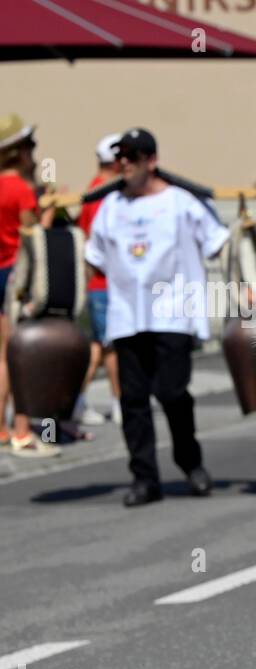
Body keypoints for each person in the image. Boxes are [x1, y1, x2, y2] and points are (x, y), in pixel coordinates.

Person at [84, 128, 229, 507]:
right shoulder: (111, 207)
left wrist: (242, 284)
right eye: (121, 158)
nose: (125, 164)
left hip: (173, 312)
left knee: (171, 392)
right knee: (133, 399)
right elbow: (93, 258)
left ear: (151, 160)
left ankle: (190, 461)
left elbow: (219, 243)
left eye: (133, 157)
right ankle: (144, 478)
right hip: (127, 315)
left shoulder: (182, 203)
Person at [0, 113, 60, 457]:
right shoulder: (21, 190)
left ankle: (4, 430)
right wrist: (47, 209)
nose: (34, 153)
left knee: (3, 357)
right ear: (17, 152)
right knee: (20, 356)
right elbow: (34, 234)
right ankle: (23, 431)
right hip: (16, 274)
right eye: (29, 146)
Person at [74, 133, 125, 428]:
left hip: (100, 283)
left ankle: (81, 401)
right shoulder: (105, 194)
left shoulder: (93, 191)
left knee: (100, 345)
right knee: (109, 348)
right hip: (105, 283)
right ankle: (118, 403)